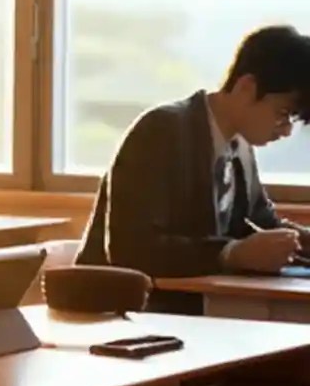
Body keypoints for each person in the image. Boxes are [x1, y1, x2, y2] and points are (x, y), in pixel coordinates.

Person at [76, 25, 310, 314]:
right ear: (246, 88)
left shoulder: (240, 145)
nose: (286, 131)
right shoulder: (160, 130)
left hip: (188, 306)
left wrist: (298, 241)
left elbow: (263, 222)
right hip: (119, 309)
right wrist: (232, 253)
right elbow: (130, 249)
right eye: (283, 114)